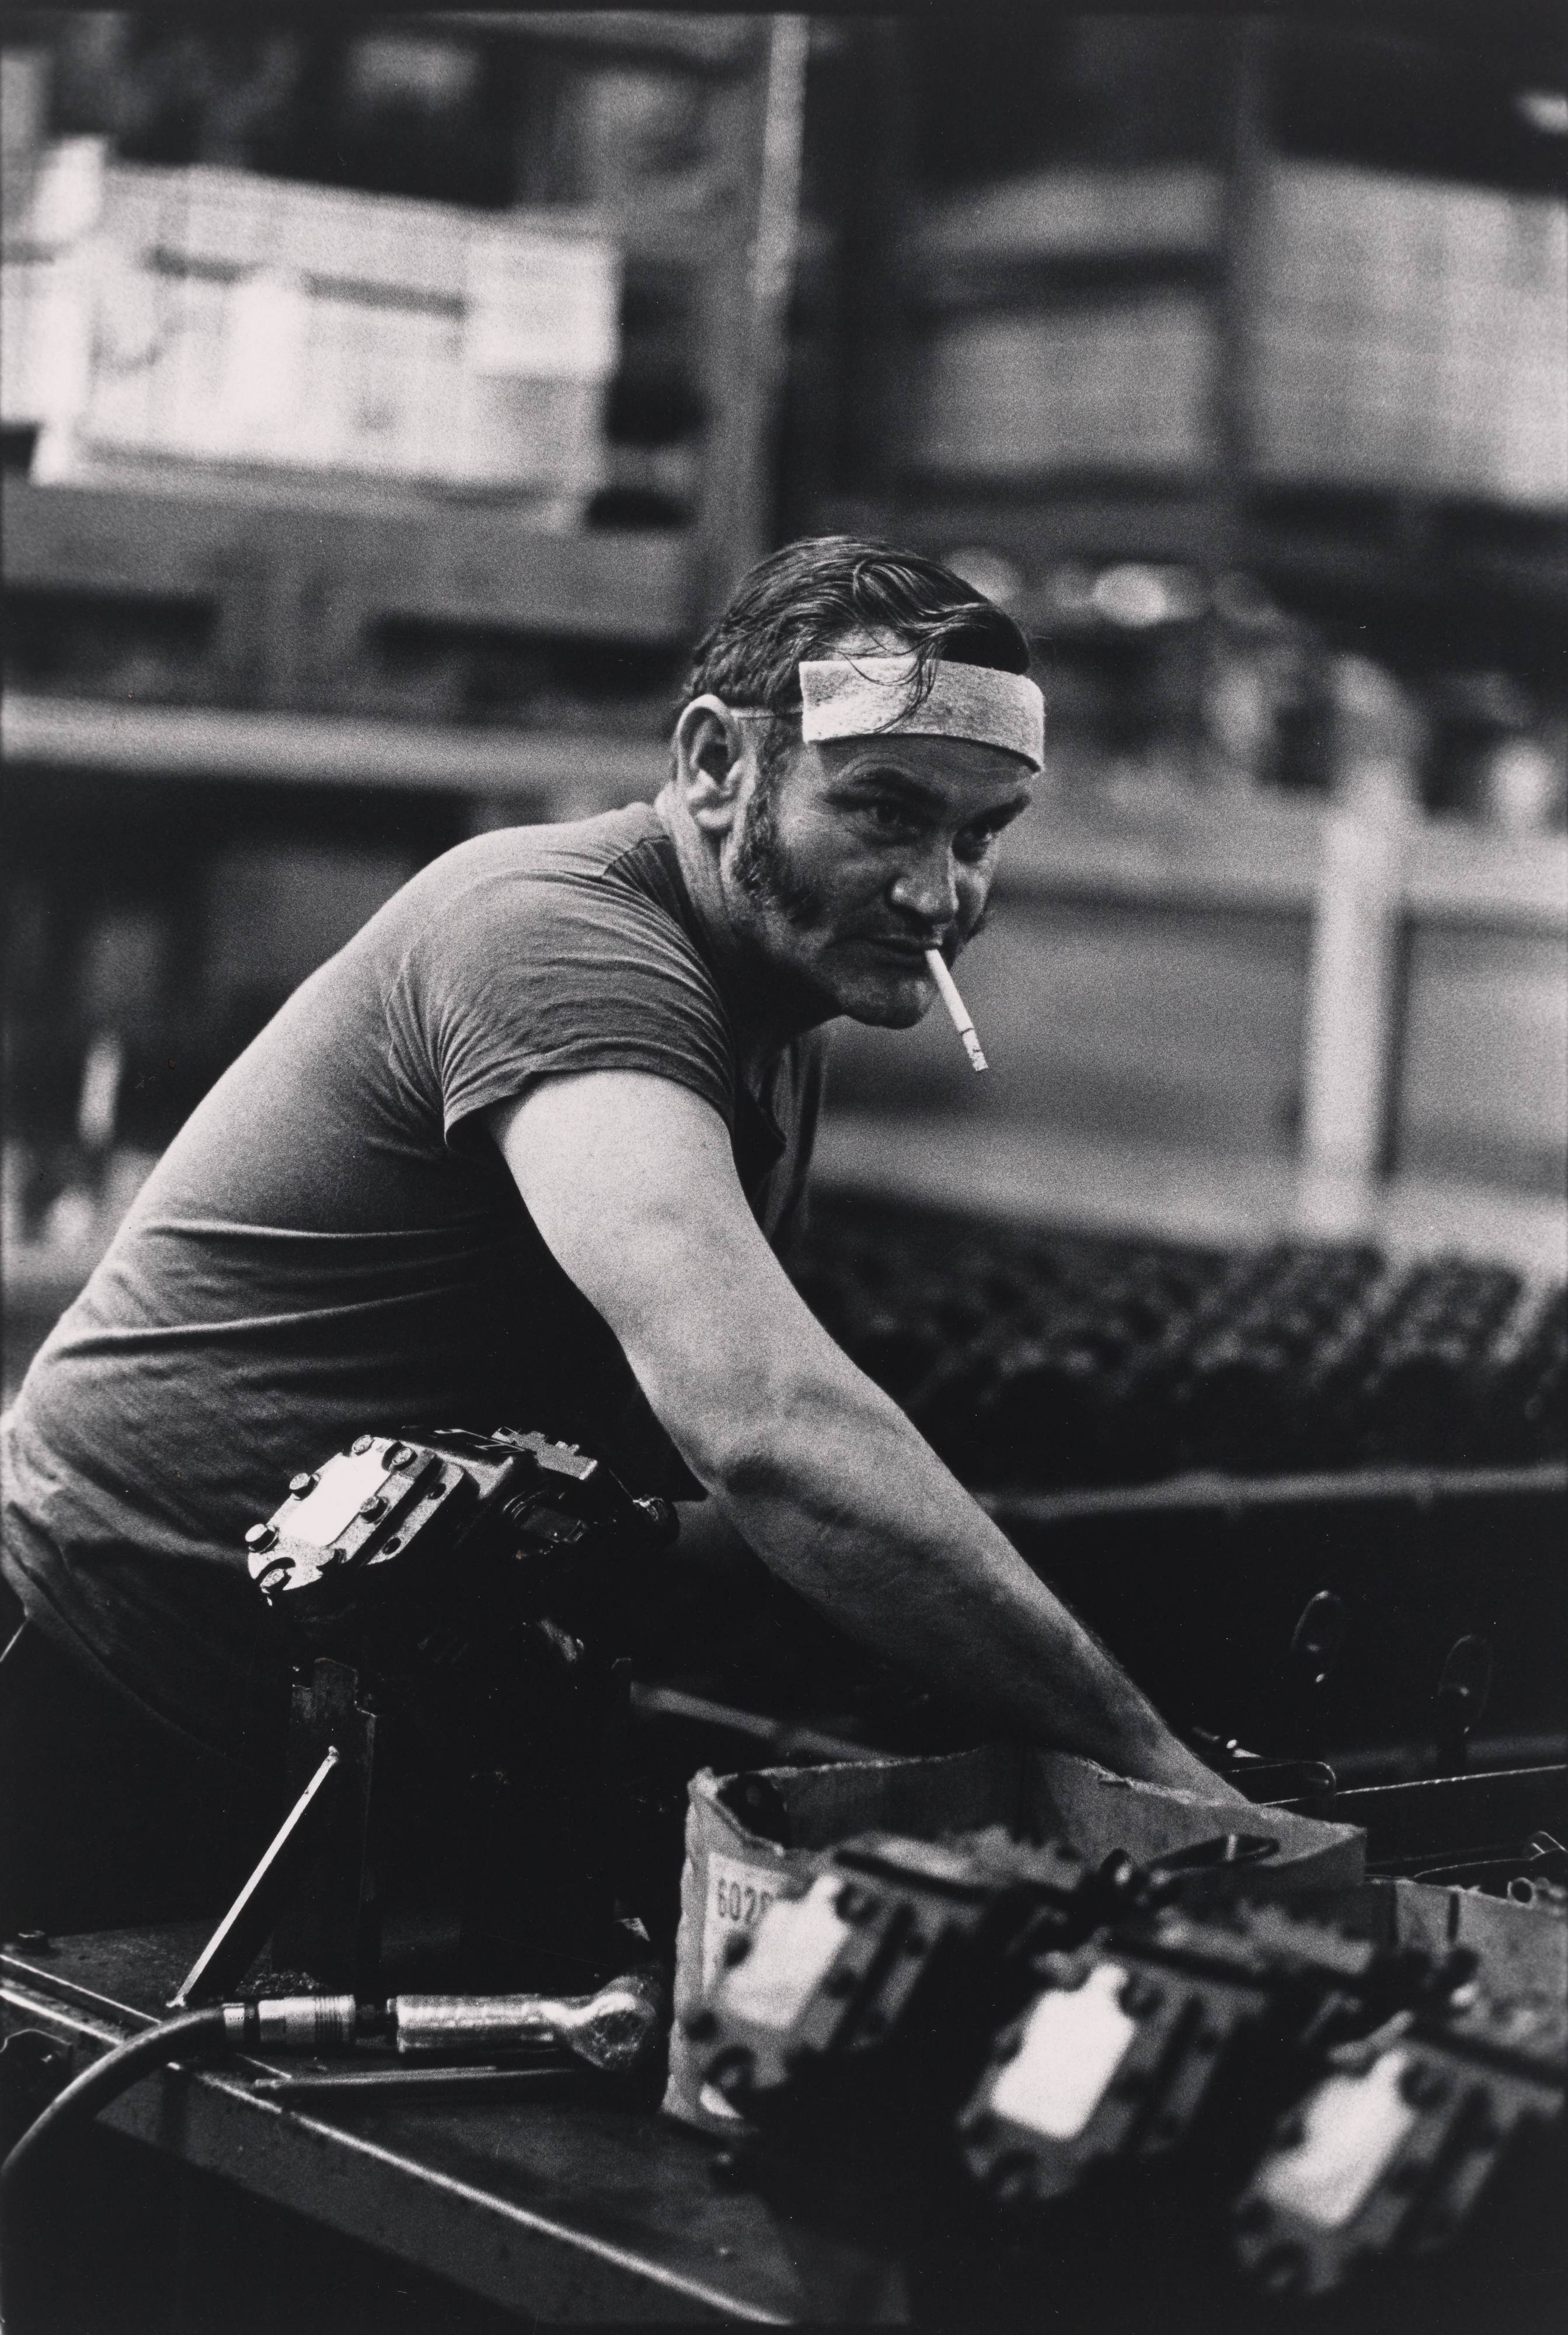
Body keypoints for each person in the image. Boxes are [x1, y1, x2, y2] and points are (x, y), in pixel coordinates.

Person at [1, 538, 1235, 1936]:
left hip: (340, 1708)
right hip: (94, 1686)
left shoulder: (773, 999)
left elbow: (627, 1489)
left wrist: (949, 1609)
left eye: (981, 832)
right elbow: (758, 1421)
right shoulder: (557, 939)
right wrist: (1145, 1761)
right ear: (716, 765)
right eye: (884, 810)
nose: (938, 893)